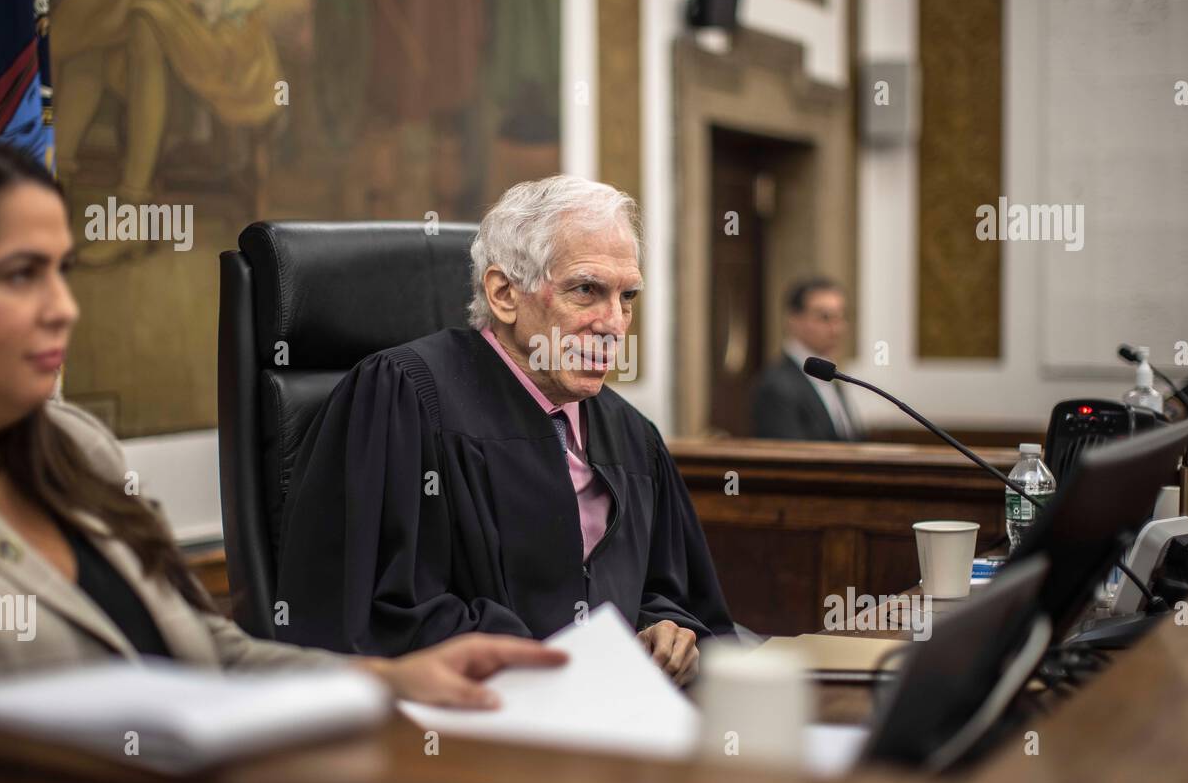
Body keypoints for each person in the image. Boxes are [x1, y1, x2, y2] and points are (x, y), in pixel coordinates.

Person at [0, 132, 564, 713]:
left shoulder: (76, 447)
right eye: (20, 275)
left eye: (62, 273)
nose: (64, 309)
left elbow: (209, 652)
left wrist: (388, 681)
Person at [277, 176, 736, 685]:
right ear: (503, 294)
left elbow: (674, 596)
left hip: (619, 720)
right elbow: (378, 613)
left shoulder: (632, 436)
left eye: (626, 297)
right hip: (472, 727)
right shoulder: (402, 400)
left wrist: (664, 631)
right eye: (586, 290)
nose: (613, 323)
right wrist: (560, 665)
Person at [751, 278, 863, 441]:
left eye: (841, 317)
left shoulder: (829, 374)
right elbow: (789, 457)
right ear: (793, 320)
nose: (837, 328)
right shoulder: (776, 386)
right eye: (825, 317)